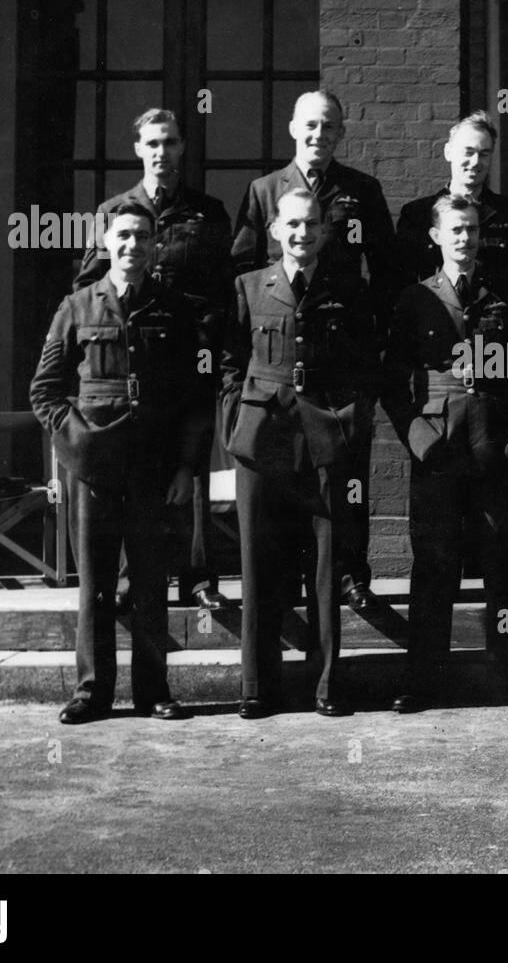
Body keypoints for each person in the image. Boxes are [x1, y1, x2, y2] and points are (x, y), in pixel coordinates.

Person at [383, 195, 508, 714]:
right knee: (434, 570)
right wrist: (420, 441)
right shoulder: (415, 298)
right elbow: (394, 384)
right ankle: (423, 681)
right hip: (438, 452)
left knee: (502, 569)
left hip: (492, 450)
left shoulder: (502, 293)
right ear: (436, 237)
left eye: (473, 230)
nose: (465, 239)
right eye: (455, 230)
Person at [32, 207, 208, 724]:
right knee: (96, 582)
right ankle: (92, 691)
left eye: (144, 237)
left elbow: (192, 398)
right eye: (124, 235)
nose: (133, 244)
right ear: (107, 241)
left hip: (152, 467)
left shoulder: (173, 309)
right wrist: (78, 446)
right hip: (94, 469)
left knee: (152, 582)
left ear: (155, 245)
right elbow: (44, 392)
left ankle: (154, 690)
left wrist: (184, 467)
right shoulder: (77, 306)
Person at [229, 90, 393, 610]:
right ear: (293, 129)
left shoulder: (361, 190)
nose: (319, 135)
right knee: (286, 477)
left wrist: (372, 358)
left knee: (347, 474)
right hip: (282, 357)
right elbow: (244, 268)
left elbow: (386, 271)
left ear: (341, 133)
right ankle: (287, 579)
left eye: (329, 126)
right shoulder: (263, 191)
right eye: (310, 126)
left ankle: (351, 574)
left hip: (340, 354)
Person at [220, 189, 381, 719]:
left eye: (311, 225)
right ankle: (257, 687)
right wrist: (236, 424)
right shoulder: (249, 287)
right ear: (273, 230)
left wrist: (348, 423)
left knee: (328, 566)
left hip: (323, 438)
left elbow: (364, 366)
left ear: (323, 231)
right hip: (262, 439)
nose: (301, 234)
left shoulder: (349, 289)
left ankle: (328, 684)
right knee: (258, 566)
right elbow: (227, 361)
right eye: (292, 225)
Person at [74, 107, 232, 611]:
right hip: (133, 360)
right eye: (152, 143)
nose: (162, 152)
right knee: (133, 464)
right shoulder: (113, 212)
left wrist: (201, 333)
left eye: (170, 142)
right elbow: (88, 286)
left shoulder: (207, 213)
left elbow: (221, 289)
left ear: (182, 147)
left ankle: (199, 577)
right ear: (138, 149)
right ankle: (129, 579)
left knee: (192, 462)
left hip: (188, 357)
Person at [395, 110, 508, 287]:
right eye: (468, 152)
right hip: (435, 311)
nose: (475, 162)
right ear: (448, 152)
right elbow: (401, 281)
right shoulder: (418, 214)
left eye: (484, 154)